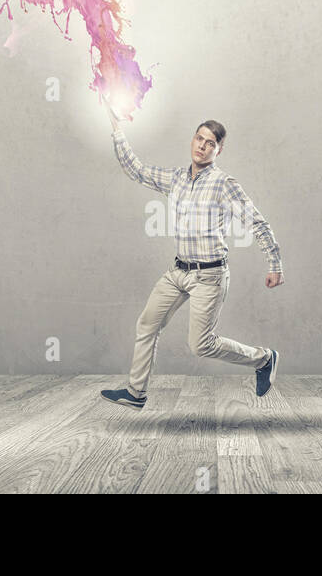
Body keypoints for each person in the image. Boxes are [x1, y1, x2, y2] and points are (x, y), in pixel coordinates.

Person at [100, 104, 283, 409]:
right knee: (147, 324)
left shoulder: (224, 185)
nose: (202, 146)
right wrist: (117, 128)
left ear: (219, 150)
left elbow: (256, 221)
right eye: (199, 138)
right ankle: (136, 392)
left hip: (209, 277)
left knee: (201, 345)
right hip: (178, 272)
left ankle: (264, 359)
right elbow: (137, 170)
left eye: (210, 143)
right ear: (192, 140)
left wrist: (274, 263)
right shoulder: (177, 179)